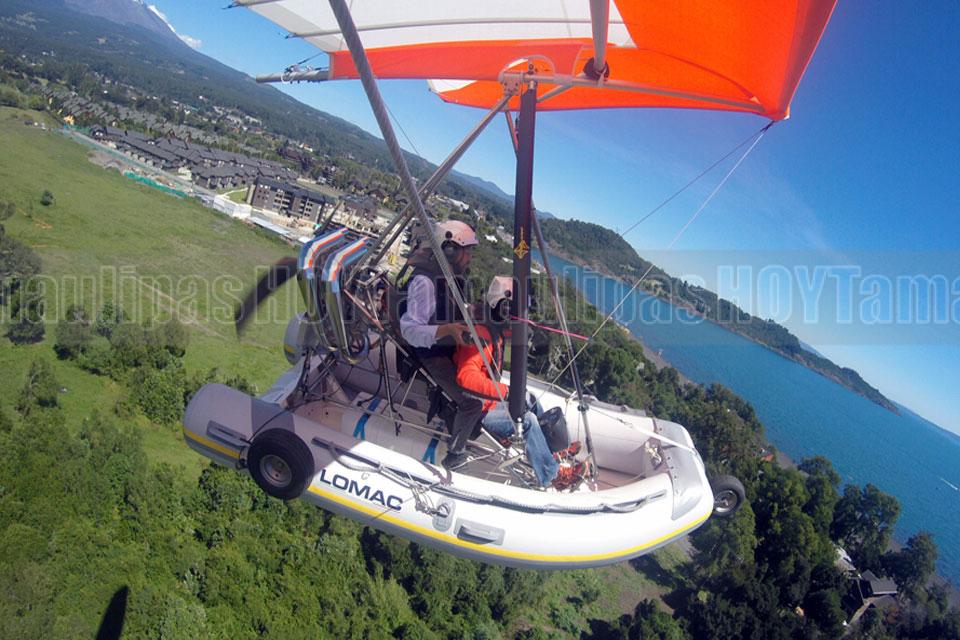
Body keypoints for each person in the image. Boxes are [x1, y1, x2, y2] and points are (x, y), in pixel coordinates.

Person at [454, 275, 584, 489]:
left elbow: (509, 331)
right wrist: (504, 392)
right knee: (529, 420)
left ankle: (552, 449)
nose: (513, 316)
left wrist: (531, 329)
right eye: (512, 311)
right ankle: (553, 475)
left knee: (529, 397)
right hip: (480, 410)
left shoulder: (492, 328)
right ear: (501, 307)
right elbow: (465, 376)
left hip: (490, 402)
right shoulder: (479, 335)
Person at [398, 220, 485, 469]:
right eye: (467, 250)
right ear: (450, 250)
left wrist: (475, 311)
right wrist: (447, 330)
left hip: (447, 349)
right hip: (431, 356)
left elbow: (448, 307)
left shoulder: (447, 277)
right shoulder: (424, 282)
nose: (470, 257)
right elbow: (410, 330)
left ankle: (472, 428)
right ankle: (455, 456)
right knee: (473, 401)